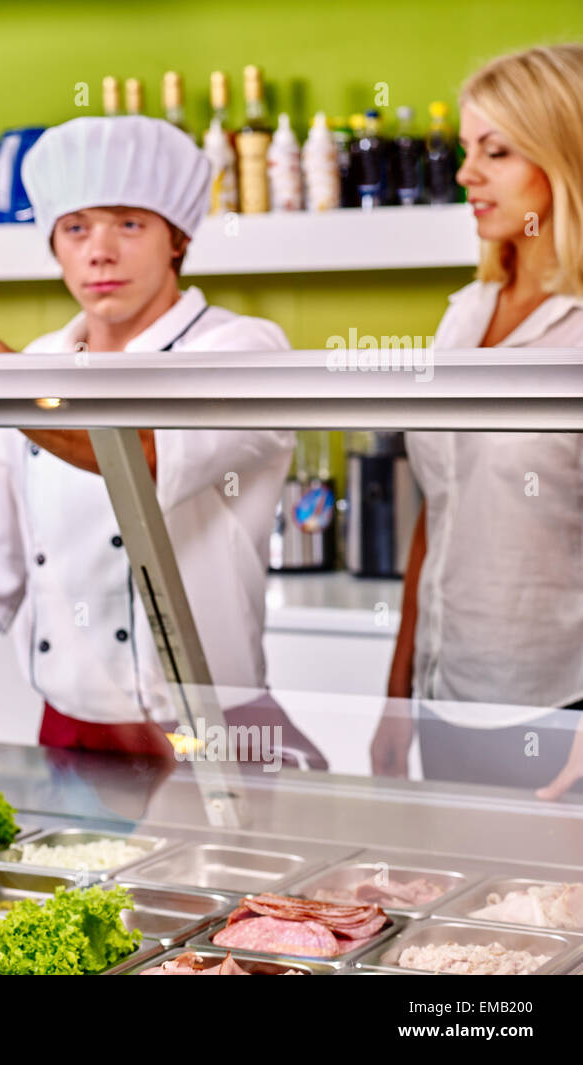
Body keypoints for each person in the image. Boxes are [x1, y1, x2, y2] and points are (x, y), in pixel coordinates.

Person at [0, 116, 317, 761]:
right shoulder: (42, 360)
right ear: (54, 245)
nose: (99, 251)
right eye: (76, 228)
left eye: (129, 223)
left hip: (207, 735)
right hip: (67, 738)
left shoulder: (240, 346)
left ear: (176, 241)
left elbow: (140, 455)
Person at [371, 44, 583, 799]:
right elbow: (437, 504)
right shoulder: (463, 317)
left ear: (565, 160)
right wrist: (398, 696)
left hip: (559, 715)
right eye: (468, 149)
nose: (465, 174)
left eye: (496, 151)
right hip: (445, 697)